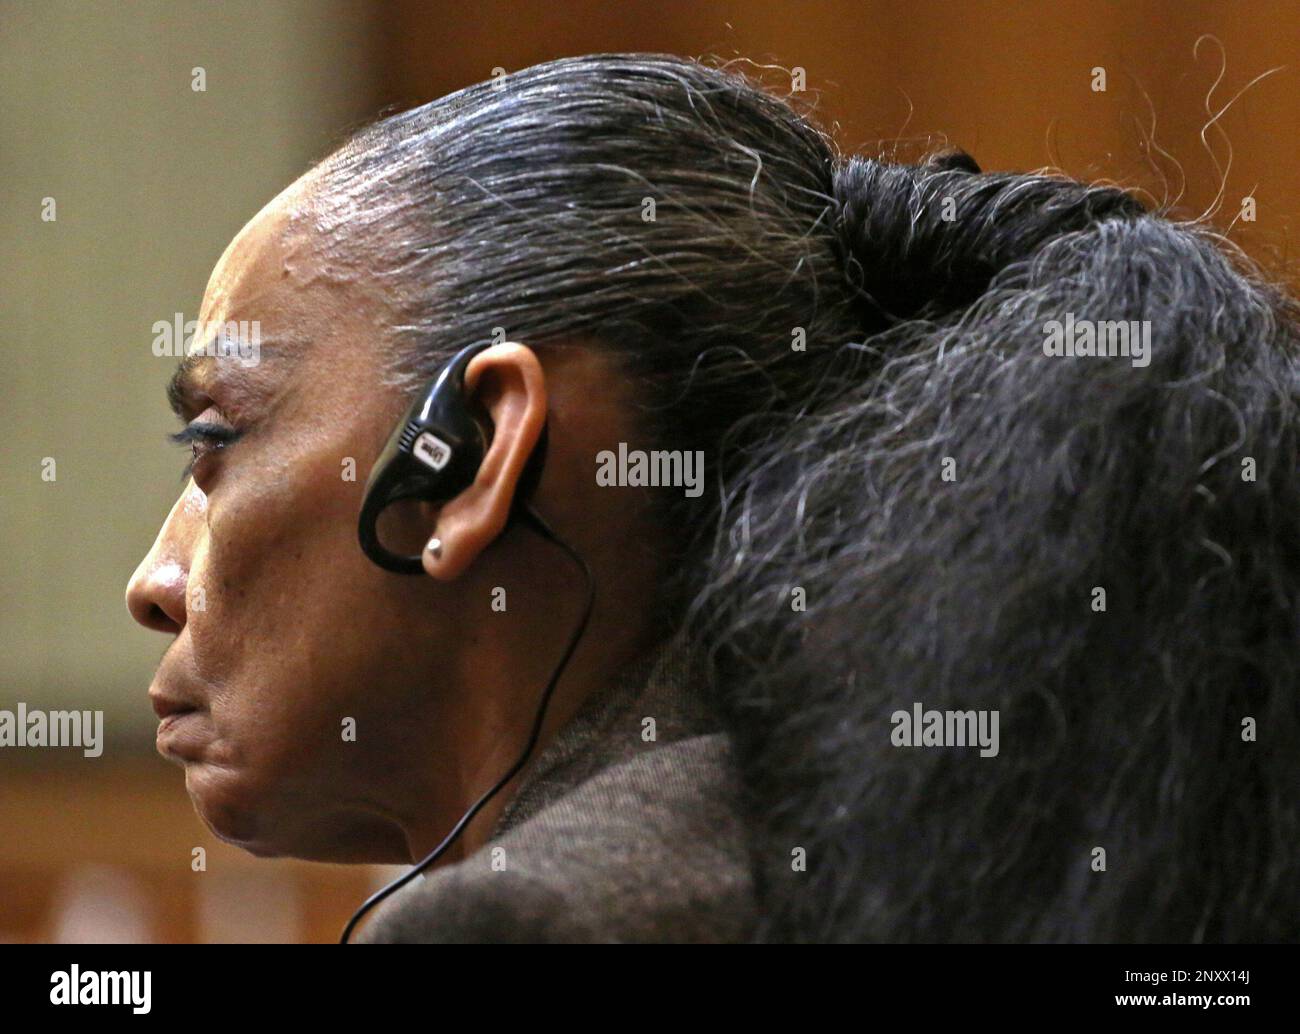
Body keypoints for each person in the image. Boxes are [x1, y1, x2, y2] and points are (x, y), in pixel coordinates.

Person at [126, 53, 1300, 943]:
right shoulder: (904, 836)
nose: (153, 583)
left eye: (216, 439)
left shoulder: (537, 923)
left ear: (471, 453)